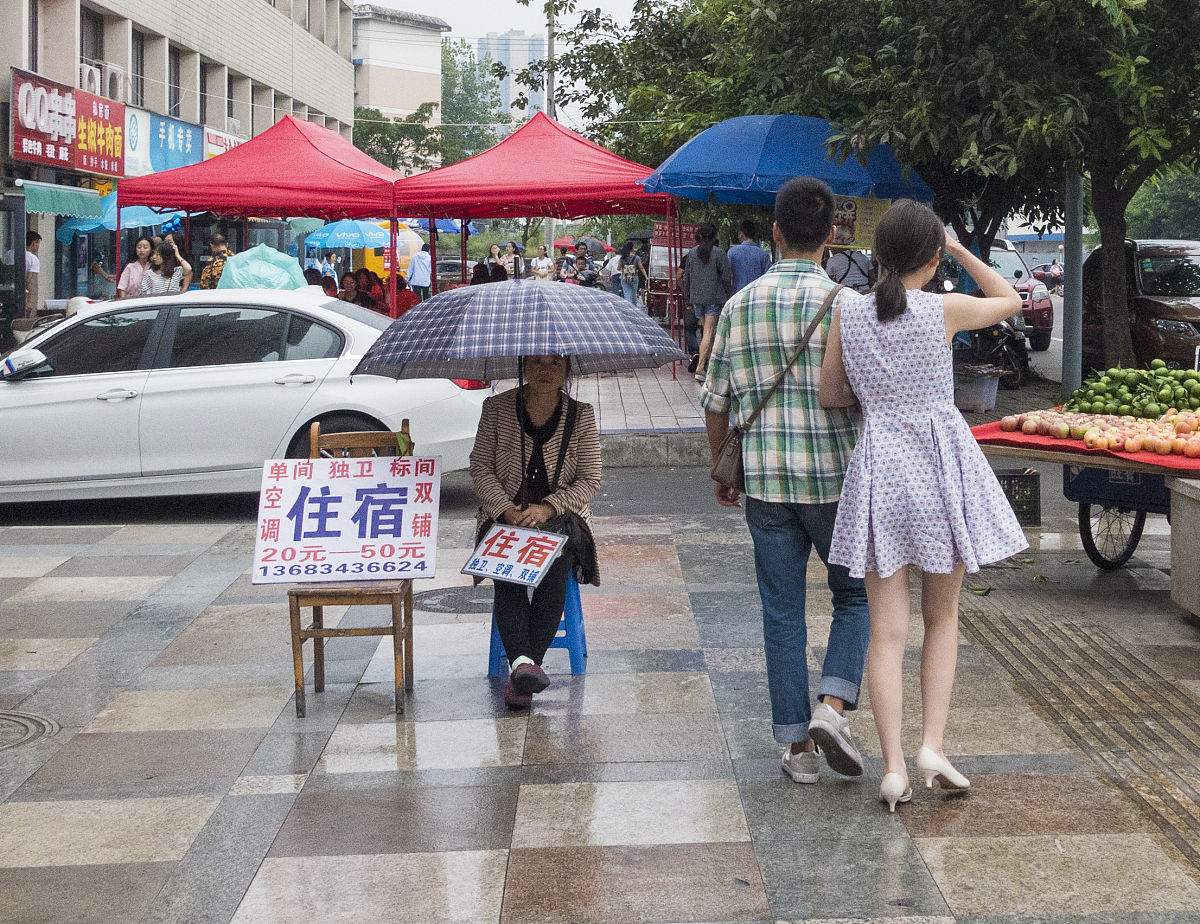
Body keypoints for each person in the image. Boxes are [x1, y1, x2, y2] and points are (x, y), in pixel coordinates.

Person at [820, 200, 1028, 812]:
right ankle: (931, 748)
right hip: (940, 469)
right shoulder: (942, 307)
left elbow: (833, 393)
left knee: (886, 633)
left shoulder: (848, 312)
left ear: (878, 254)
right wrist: (961, 250)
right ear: (932, 257)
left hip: (881, 470)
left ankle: (890, 769)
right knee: (942, 620)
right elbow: (1010, 298)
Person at [699, 177, 870, 788]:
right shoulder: (850, 307)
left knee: (781, 612)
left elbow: (715, 401)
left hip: (766, 483)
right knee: (856, 596)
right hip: (838, 483)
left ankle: (797, 749)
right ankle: (833, 706)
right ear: (830, 236)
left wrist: (723, 466)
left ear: (774, 231)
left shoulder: (739, 306)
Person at [469, 355, 602, 708]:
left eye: (555, 363)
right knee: (508, 573)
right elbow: (480, 467)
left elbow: (590, 479)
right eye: (537, 362)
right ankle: (524, 669)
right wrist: (506, 509)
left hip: (560, 519)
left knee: (554, 569)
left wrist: (548, 507)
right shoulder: (496, 408)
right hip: (505, 519)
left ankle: (525, 667)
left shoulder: (581, 415)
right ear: (523, 365)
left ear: (568, 370)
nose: (546, 370)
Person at [683, 223, 733, 381]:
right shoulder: (719, 253)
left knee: (705, 332)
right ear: (714, 237)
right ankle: (700, 368)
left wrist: (688, 299)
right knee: (709, 332)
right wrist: (730, 295)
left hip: (697, 298)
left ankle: (708, 366)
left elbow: (687, 278)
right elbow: (726, 278)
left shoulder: (691, 253)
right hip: (714, 298)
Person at [728, 220, 772, 292]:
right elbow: (768, 277)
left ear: (741, 234)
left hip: (737, 294)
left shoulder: (732, 252)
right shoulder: (763, 254)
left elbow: (728, 276)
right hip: (757, 294)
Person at [616, 240, 647, 306]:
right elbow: (641, 268)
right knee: (633, 294)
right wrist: (646, 277)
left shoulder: (622, 257)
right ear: (632, 248)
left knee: (627, 294)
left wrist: (625, 269)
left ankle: (628, 307)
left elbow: (618, 268)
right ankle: (634, 309)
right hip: (634, 277)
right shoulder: (637, 257)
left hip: (625, 277)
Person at [24, 231, 41, 318]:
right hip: (22, 295)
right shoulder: (33, 259)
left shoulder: (9, 254)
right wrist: (28, 301)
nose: (38, 247)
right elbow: (29, 280)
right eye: (38, 243)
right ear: (34, 243)